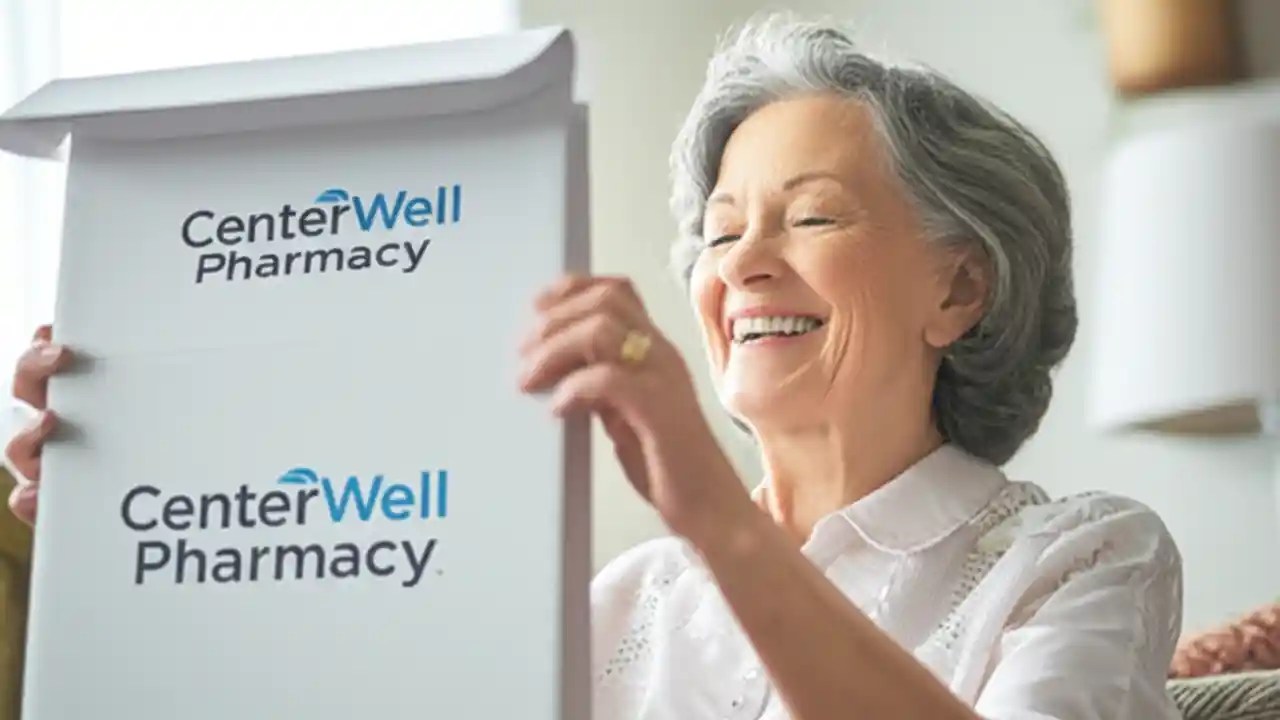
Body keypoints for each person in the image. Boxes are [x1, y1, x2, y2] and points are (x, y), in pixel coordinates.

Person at [5, 14, 1182, 720]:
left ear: (960, 289)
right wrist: (133, 550)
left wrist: (715, 515)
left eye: (809, 219)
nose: (745, 267)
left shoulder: (1081, 553)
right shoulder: (619, 604)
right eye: (720, 233)